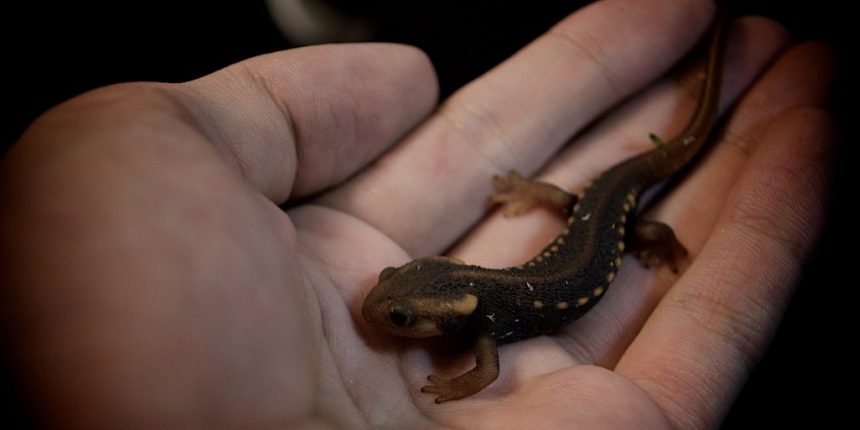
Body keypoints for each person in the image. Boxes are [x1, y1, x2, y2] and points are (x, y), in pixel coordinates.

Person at [0, 1, 835, 428]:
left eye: (399, 311)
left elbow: (483, 373)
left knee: (635, 218)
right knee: (593, 202)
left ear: (458, 307)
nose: (383, 311)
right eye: (394, 296)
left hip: (612, 215)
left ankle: (696, 122)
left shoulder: (484, 324)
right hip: (580, 212)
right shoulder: (478, 308)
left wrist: (657, 240)